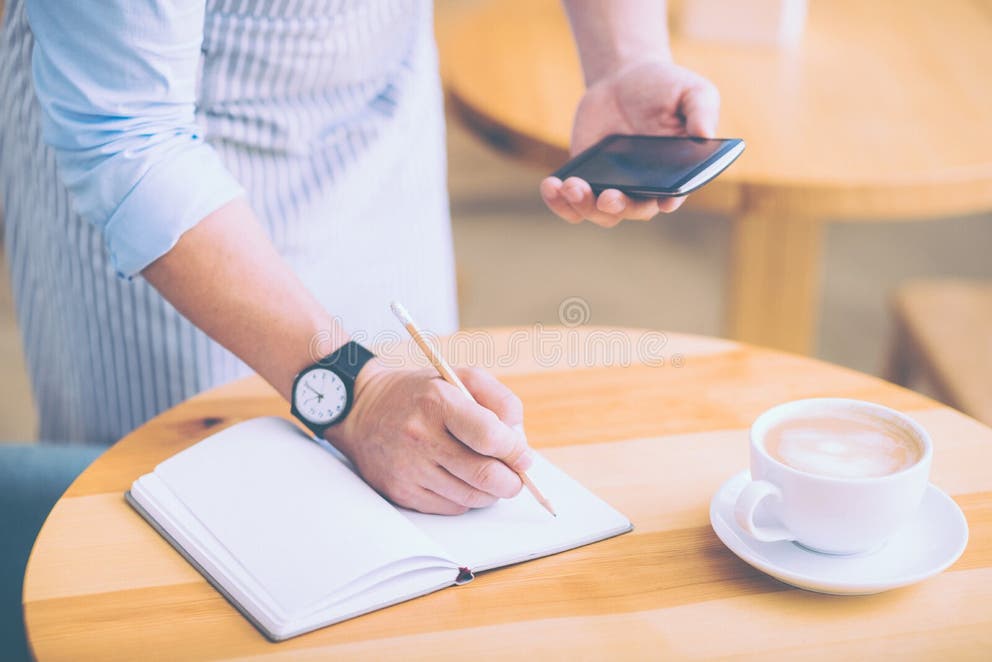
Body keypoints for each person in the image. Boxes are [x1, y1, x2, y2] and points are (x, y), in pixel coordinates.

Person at [0, 0, 719, 516]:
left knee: (425, 496)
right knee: (193, 538)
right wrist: (358, 393)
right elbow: (126, 134)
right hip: (170, 198)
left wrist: (624, 60)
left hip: (375, 118)